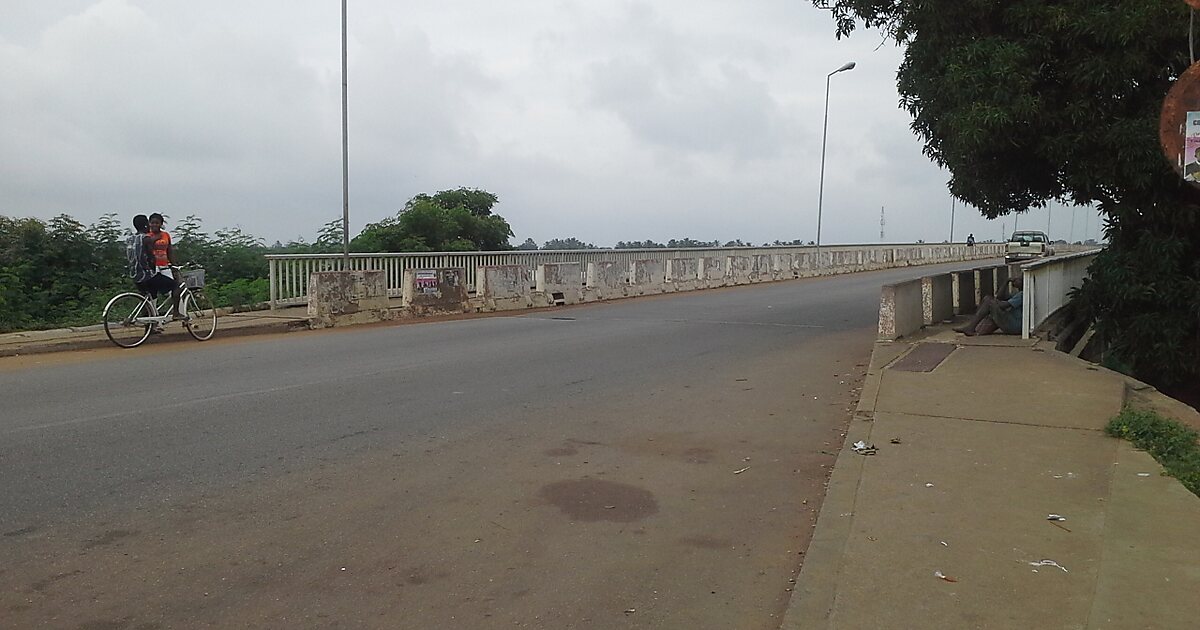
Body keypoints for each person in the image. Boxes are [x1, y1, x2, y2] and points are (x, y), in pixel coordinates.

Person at [954, 277, 1023, 336]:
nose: (1015, 280)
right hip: (1014, 323)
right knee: (988, 302)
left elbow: (1003, 306)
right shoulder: (1017, 294)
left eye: (1018, 279)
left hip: (1014, 325)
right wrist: (1006, 281)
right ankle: (974, 327)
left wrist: (993, 302)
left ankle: (970, 327)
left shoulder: (1022, 294)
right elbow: (1000, 296)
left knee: (988, 302)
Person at [145, 212, 183, 319]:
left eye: (157, 223)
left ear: (161, 224)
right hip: (154, 267)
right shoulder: (147, 236)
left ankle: (179, 313)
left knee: (174, 292)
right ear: (149, 224)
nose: (154, 225)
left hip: (165, 266)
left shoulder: (166, 235)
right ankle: (154, 316)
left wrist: (174, 265)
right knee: (154, 293)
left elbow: (169, 250)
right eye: (152, 223)